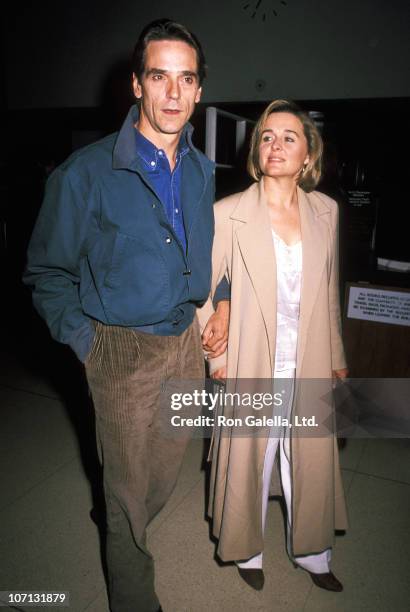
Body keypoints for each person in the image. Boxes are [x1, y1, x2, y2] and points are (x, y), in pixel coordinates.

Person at [24, 18, 229, 612]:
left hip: (183, 346)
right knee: (124, 500)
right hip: (118, 349)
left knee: (160, 478)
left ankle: (121, 505)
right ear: (136, 85)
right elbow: (47, 273)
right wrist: (88, 343)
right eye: (158, 76)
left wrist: (216, 300)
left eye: (185, 79)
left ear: (199, 90)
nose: (172, 93)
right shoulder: (84, 174)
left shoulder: (198, 170)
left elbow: (203, 252)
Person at [199, 99, 348, 593]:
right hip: (250, 355)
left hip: (308, 354)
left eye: (289, 137)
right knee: (253, 457)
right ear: (255, 150)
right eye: (267, 136)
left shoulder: (326, 211)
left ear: (308, 155)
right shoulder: (227, 213)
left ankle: (313, 553)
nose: (276, 145)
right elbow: (204, 286)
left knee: (305, 453)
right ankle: (247, 548)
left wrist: (337, 359)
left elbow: (329, 290)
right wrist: (216, 356)